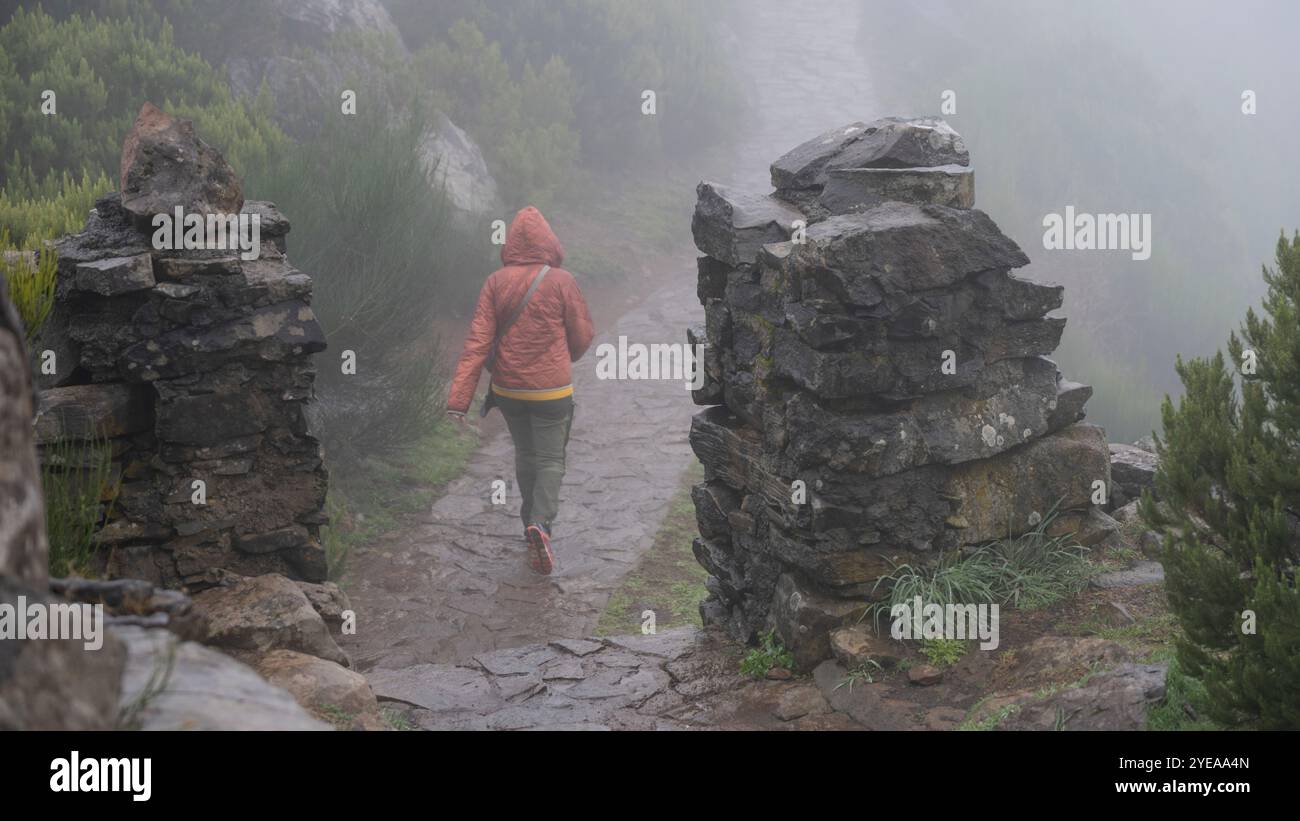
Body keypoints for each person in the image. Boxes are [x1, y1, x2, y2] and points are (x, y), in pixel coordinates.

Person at [446, 206, 594, 574]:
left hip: (509, 390)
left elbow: (477, 343)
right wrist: (563, 356)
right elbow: (582, 336)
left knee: (526, 455)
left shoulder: (495, 282)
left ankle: (529, 524)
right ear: (550, 241)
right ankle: (540, 524)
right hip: (551, 391)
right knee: (550, 459)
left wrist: (458, 403)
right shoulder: (562, 281)